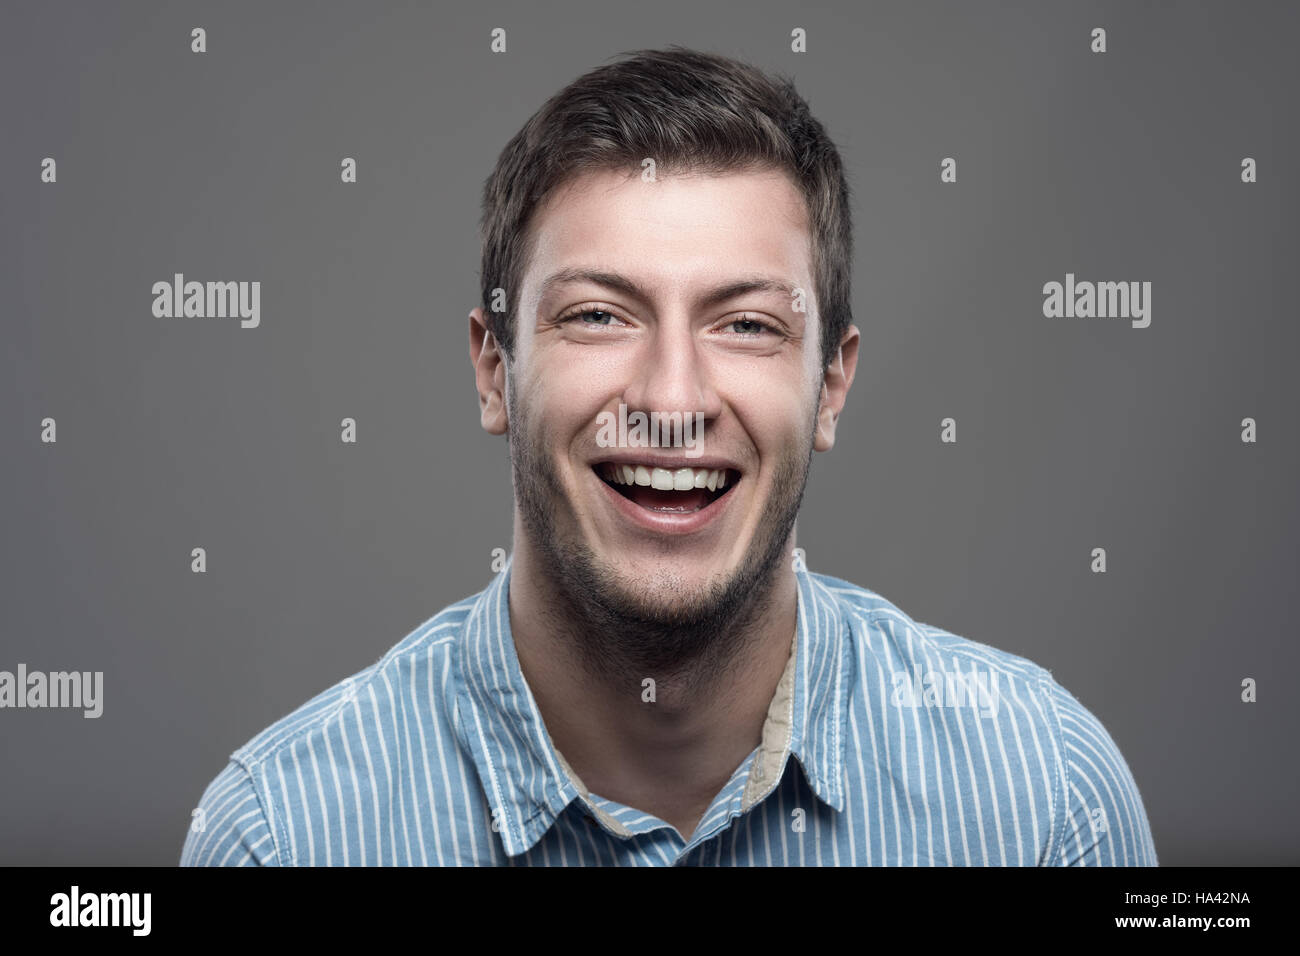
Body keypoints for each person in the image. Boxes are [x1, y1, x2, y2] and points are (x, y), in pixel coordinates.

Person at [182, 46, 1156, 866]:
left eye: (744, 324)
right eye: (599, 315)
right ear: (493, 369)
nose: (672, 400)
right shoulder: (283, 837)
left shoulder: (1044, 801)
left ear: (829, 384)